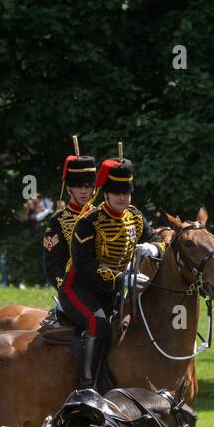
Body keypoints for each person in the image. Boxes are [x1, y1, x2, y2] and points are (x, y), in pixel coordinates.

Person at [59, 157, 164, 389]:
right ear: (105, 193)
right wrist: (122, 278)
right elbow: (85, 267)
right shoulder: (89, 222)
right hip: (80, 288)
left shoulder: (135, 217)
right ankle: (87, 386)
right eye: (116, 192)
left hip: (115, 292)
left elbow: (156, 239)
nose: (122, 197)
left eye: (126, 192)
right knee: (98, 324)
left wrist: (153, 247)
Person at [40, 145, 98, 294]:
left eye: (88, 186)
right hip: (74, 290)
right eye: (78, 186)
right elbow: (53, 266)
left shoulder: (102, 215)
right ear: (68, 188)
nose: (84, 191)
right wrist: (67, 289)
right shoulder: (57, 221)